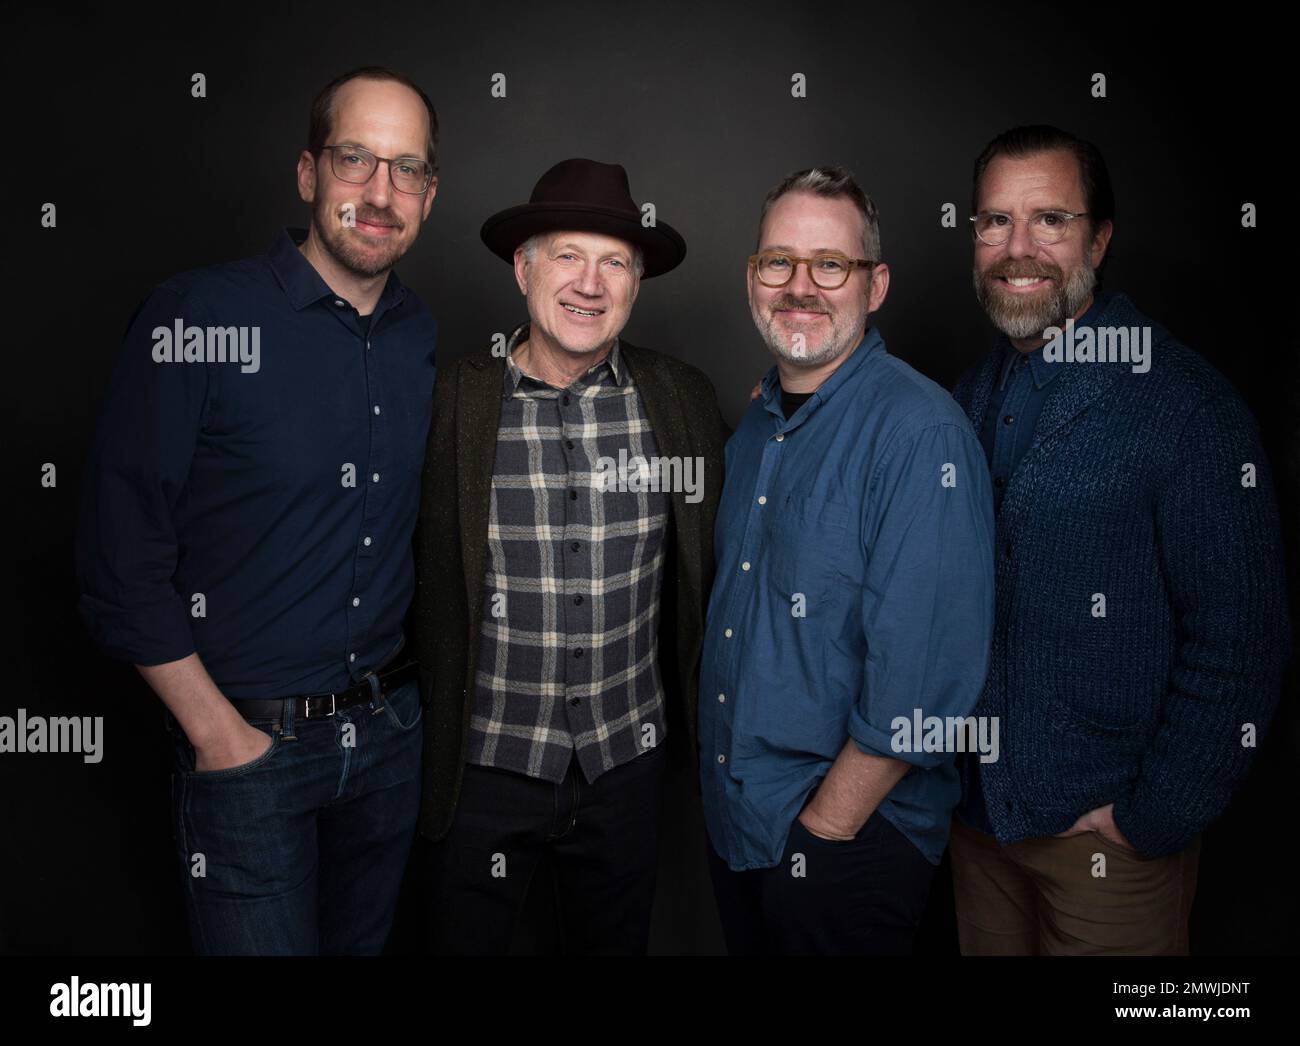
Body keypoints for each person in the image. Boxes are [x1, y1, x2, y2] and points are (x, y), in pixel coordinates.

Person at [75, 66, 440, 955]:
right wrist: (217, 734)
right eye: (356, 159)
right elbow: (117, 552)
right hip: (249, 753)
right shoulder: (196, 316)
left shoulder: (421, 334)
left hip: (389, 742)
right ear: (308, 173)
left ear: (430, 196)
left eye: (406, 169)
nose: (379, 193)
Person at [948, 124, 1290, 955]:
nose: (1017, 248)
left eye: (1050, 220)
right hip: (976, 829)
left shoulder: (1183, 407)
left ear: (1099, 239)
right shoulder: (963, 398)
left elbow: (1243, 641)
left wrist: (1154, 817)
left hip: (1108, 851)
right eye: (994, 221)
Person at [414, 158, 727, 954]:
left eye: (615, 262)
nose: (590, 283)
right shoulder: (451, 401)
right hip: (483, 772)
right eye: (568, 256)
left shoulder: (682, 399)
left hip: (627, 770)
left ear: (637, 282)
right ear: (523, 268)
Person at [700, 166, 995, 954]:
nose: (801, 286)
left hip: (846, 845)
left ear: (877, 283)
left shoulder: (919, 435)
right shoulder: (755, 426)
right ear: (752, 278)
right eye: (778, 262)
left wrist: (825, 830)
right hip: (745, 826)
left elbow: (925, 682)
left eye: (830, 264)